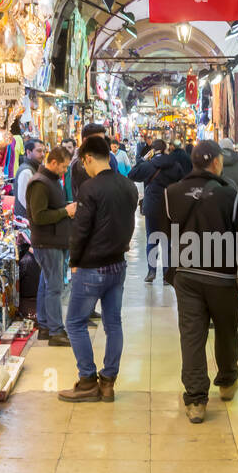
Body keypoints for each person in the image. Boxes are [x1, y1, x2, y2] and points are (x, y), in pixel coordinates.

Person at [164, 140, 238, 422]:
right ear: (217, 162)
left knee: (192, 336)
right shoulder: (230, 195)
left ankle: (196, 401)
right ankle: (227, 381)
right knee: (226, 330)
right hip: (223, 276)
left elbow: (168, 231)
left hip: (187, 274)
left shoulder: (171, 193)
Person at [59, 135, 139, 403]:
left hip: (92, 266)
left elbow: (80, 230)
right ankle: (108, 383)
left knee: (74, 322)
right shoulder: (129, 186)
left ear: (89, 158)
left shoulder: (90, 189)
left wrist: (74, 261)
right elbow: (130, 225)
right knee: (113, 323)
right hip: (118, 263)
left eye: (84, 162)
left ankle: (87, 381)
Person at [26, 145, 76, 346]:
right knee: (54, 286)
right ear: (53, 162)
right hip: (47, 242)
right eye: (63, 166)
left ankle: (46, 326)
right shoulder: (40, 183)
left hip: (52, 240)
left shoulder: (50, 180)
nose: (65, 170)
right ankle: (56, 331)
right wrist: (66, 212)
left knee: (47, 284)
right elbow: (38, 216)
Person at [129, 139, 184, 282]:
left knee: (152, 240)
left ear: (152, 150)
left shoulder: (148, 165)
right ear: (166, 149)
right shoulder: (175, 165)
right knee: (167, 241)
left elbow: (132, 174)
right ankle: (167, 274)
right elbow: (182, 181)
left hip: (152, 207)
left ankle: (151, 271)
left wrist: (142, 159)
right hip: (170, 207)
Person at [13, 136, 44, 219]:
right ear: (28, 152)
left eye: (43, 151)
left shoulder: (33, 169)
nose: (42, 154)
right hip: (26, 222)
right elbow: (25, 200)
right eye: (39, 151)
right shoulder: (26, 172)